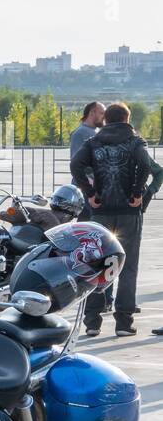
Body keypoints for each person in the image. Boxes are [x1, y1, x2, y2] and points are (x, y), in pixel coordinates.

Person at [71, 102, 150, 338]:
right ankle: (123, 323)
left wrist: (90, 193)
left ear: (107, 120)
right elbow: (145, 165)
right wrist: (137, 193)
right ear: (127, 119)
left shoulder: (94, 141)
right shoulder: (135, 141)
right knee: (128, 265)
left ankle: (92, 321)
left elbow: (76, 164)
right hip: (128, 211)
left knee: (98, 263)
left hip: (101, 210)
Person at [69, 102, 105, 221]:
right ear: (92, 112)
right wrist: (91, 188)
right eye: (101, 113)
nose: (104, 117)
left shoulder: (94, 132)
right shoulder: (81, 133)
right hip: (86, 188)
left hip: (90, 188)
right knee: (88, 224)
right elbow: (78, 163)